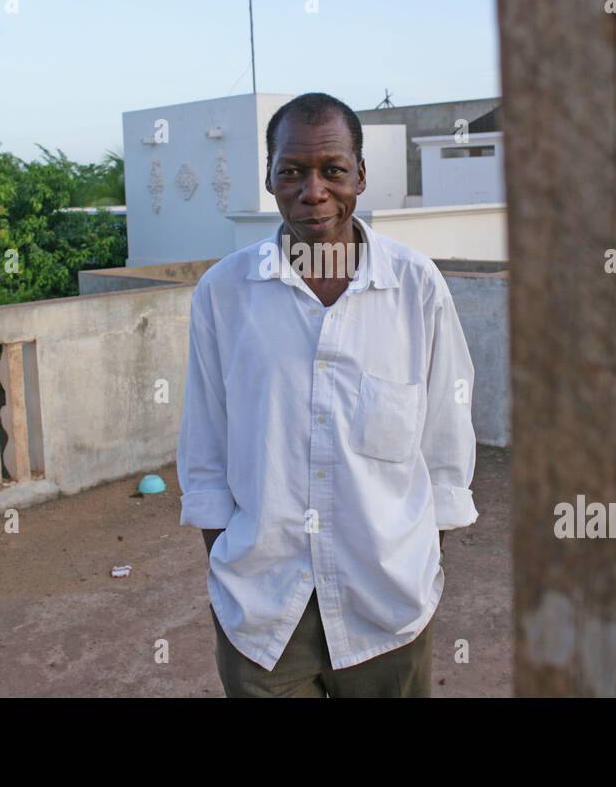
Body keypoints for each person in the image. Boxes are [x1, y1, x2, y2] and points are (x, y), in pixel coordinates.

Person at [177, 92, 479, 697]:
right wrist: (237, 565)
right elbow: (206, 451)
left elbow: (444, 452)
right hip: (263, 615)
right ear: (268, 177)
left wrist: (406, 567)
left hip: (387, 610)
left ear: (360, 176)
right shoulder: (224, 293)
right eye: (291, 171)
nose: (313, 191)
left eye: (333, 170)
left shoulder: (415, 288)